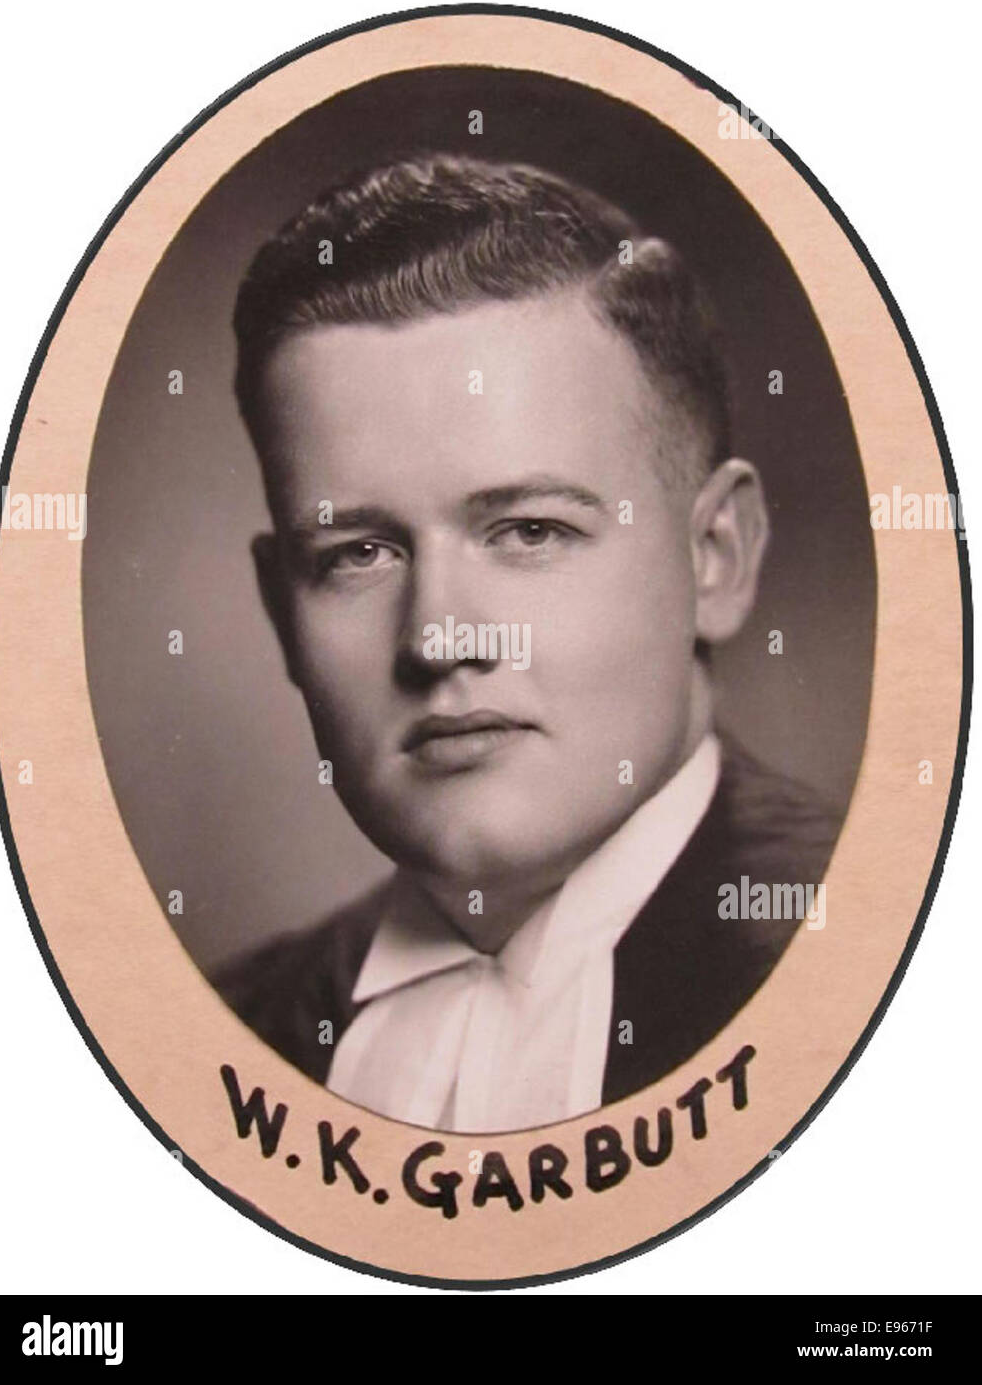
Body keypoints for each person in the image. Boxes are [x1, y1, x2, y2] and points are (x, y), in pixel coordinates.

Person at [217, 154, 841, 1132]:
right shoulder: (222, 1033)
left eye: (529, 531)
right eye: (357, 553)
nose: (437, 637)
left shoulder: (903, 970)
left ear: (714, 556)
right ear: (277, 612)